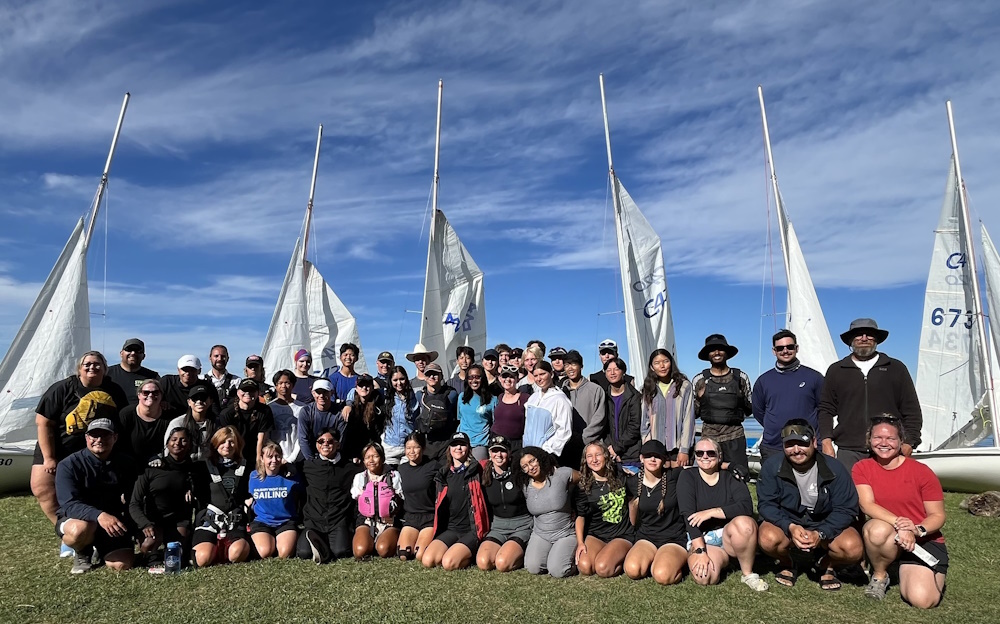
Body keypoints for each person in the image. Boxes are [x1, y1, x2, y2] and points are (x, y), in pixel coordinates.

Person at [757, 419, 863, 590]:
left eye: (802, 443)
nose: (796, 450)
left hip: (823, 522)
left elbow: (846, 509)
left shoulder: (835, 468)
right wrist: (789, 526)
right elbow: (766, 505)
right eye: (790, 445)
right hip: (790, 520)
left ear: (814, 442)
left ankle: (827, 564)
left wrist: (821, 533)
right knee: (767, 538)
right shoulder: (771, 466)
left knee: (853, 549)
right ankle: (788, 563)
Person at [853, 415, 947, 607]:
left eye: (891, 438)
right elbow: (867, 505)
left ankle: (904, 565)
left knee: (923, 601)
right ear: (869, 441)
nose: (884, 443)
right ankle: (880, 575)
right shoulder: (862, 468)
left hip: (922, 538)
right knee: (875, 529)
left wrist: (916, 530)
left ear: (900, 441)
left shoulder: (922, 471)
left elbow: (938, 515)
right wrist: (902, 524)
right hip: (889, 532)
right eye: (878, 437)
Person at [32, 350, 129, 527]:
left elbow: (122, 420)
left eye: (97, 364)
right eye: (88, 364)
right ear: (79, 369)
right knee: (42, 487)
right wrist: (49, 458)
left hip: (93, 448)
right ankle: (64, 527)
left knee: (91, 491)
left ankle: (90, 528)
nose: (92, 367)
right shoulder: (62, 388)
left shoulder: (114, 390)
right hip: (57, 445)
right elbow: (43, 423)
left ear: (105, 369)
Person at [819, 318, 923, 473]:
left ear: (877, 339)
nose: (864, 338)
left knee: (888, 496)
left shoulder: (896, 368)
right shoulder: (836, 370)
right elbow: (825, 409)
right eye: (858, 334)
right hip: (849, 450)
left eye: (869, 334)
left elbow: (911, 410)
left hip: (887, 448)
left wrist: (909, 442)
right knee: (850, 496)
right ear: (850, 340)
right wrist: (826, 441)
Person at [678, 437, 768, 591]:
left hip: (729, 535)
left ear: (719, 456)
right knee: (705, 577)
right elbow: (689, 516)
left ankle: (747, 573)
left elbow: (746, 507)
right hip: (703, 538)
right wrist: (700, 551)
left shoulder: (732, 476)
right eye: (700, 453)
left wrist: (712, 512)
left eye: (710, 453)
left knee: (745, 523)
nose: (705, 456)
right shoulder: (688, 477)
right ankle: (725, 559)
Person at [55, 417, 136, 574]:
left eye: (105, 435)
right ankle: (82, 551)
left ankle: (100, 547)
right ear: (86, 438)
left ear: (115, 437)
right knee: (81, 529)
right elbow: (69, 504)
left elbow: (133, 498)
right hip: (78, 519)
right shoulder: (68, 465)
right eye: (94, 435)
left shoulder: (126, 463)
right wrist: (99, 515)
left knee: (122, 564)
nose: (99, 440)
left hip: (111, 521)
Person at [752, 330, 825, 465]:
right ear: (774, 351)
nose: (785, 351)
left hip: (806, 445)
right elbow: (758, 411)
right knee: (774, 486)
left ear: (796, 348)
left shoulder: (814, 377)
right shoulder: (764, 380)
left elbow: (824, 410)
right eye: (780, 348)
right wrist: (775, 426)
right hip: (773, 446)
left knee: (809, 485)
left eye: (790, 347)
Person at [130, 426, 196, 572]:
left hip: (178, 520)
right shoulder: (152, 468)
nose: (178, 443)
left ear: (190, 445)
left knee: (177, 553)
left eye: (183, 440)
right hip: (154, 521)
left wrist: (193, 491)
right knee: (149, 543)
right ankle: (147, 555)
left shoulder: (193, 469)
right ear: (167, 444)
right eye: (174, 439)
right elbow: (134, 503)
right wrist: (145, 524)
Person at [622, 440, 687, 585]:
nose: (652, 459)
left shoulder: (674, 476)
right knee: (632, 570)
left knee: (662, 575)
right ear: (641, 458)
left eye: (657, 456)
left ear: (664, 460)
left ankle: (672, 562)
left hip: (673, 538)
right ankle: (657, 559)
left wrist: (730, 465)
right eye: (648, 455)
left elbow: (703, 466)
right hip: (646, 537)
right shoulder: (633, 482)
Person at [422, 433, 490, 571]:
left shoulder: (478, 469)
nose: (458, 448)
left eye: (462, 444)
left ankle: (470, 552)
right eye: (454, 444)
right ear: (449, 449)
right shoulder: (443, 474)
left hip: (471, 530)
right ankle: (458, 550)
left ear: (469, 448)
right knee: (428, 560)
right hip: (452, 528)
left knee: (448, 563)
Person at [190, 426, 252, 567]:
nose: (227, 446)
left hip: (235, 520)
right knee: (202, 559)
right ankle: (213, 548)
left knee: (237, 554)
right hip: (210, 519)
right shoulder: (202, 468)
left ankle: (226, 548)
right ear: (215, 443)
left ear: (237, 444)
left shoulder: (246, 467)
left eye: (231, 442)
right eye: (223, 442)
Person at [297, 428, 360, 563]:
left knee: (341, 551)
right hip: (314, 520)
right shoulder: (307, 466)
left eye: (330, 441)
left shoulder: (350, 467)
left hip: (338, 519)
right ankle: (320, 541)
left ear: (338, 444)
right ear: (316, 445)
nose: (325, 444)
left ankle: (324, 543)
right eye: (321, 441)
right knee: (303, 552)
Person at [692, 335, 753, 476]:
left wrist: (738, 398)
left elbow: (749, 409)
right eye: (712, 350)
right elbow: (693, 414)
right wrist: (700, 399)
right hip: (709, 437)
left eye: (720, 349)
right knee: (709, 478)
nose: (717, 352)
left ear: (727, 352)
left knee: (739, 476)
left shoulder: (741, 377)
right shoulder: (699, 380)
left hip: (735, 437)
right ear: (708, 355)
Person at [517, 446, 580, 578]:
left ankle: (569, 559)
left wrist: (576, 505)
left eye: (532, 461)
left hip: (565, 533)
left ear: (540, 458)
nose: (530, 467)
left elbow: (584, 481)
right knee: (533, 567)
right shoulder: (525, 485)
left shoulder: (562, 474)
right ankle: (551, 554)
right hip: (540, 534)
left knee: (558, 570)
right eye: (525, 466)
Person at [575, 442, 633, 578]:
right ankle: (607, 554)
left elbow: (633, 499)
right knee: (585, 567)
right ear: (585, 460)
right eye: (589, 456)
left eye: (598, 454)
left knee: (602, 568)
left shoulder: (620, 476)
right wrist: (580, 543)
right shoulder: (583, 486)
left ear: (606, 456)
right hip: (597, 534)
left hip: (621, 534)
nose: (594, 459)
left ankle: (623, 556)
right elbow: (580, 517)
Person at [476, 435, 532, 572]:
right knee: (483, 563)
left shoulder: (519, 473)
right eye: (494, 451)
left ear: (509, 453)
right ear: (489, 453)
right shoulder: (484, 475)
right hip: (498, 527)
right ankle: (508, 550)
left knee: (502, 563)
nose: (498, 455)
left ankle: (523, 550)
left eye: (502, 451)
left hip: (522, 526)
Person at [641, 349, 695, 469]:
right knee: (662, 484)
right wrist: (647, 449)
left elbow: (688, 419)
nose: (662, 366)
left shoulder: (684, 386)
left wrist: (685, 450)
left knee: (680, 482)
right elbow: (645, 423)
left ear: (671, 363)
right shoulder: (648, 388)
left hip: (678, 446)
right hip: (657, 447)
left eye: (665, 361)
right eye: (657, 363)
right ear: (651, 366)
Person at [350, 442, 404, 559]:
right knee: (360, 551)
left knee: (383, 550)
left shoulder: (394, 476)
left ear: (383, 458)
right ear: (363, 461)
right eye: (367, 457)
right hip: (367, 520)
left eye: (375, 456)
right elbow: (356, 499)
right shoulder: (360, 478)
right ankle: (369, 541)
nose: (371, 460)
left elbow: (401, 499)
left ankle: (386, 539)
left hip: (389, 521)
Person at [248, 440, 300, 559]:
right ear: (262, 458)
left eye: (277, 456)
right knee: (265, 552)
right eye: (269, 457)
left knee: (284, 553)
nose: (274, 460)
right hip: (262, 521)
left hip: (285, 521)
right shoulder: (254, 476)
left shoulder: (291, 476)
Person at [396, 432, 438, 561]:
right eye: (408, 448)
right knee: (404, 554)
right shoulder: (401, 469)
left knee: (420, 555)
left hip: (429, 517)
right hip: (411, 517)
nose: (412, 451)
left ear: (423, 448)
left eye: (416, 447)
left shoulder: (433, 466)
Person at [560, 350, 606, 468]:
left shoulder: (595, 390)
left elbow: (599, 418)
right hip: (565, 447)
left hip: (589, 447)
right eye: (566, 365)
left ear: (581, 366)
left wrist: (583, 438)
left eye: (573, 364)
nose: (570, 368)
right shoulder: (559, 392)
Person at [523, 362, 573, 460]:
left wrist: (546, 450)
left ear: (551, 374)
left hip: (546, 456)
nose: (539, 379)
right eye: (536, 375)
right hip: (527, 453)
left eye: (542, 374)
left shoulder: (560, 400)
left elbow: (564, 431)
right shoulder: (533, 398)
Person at [118, 379, 171, 472]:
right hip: (130, 465)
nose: (150, 395)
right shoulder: (126, 414)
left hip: (160, 466)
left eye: (155, 392)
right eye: (146, 392)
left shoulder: (169, 416)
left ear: (161, 395)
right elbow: (119, 444)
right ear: (139, 395)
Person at [219, 379, 274, 464]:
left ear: (258, 393)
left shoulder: (265, 411)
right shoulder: (227, 413)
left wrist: (258, 462)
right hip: (233, 453)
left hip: (255, 453)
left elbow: (262, 439)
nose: (248, 393)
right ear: (238, 392)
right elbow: (227, 439)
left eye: (252, 390)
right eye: (244, 390)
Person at [603, 357, 642, 473]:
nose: (612, 373)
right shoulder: (604, 397)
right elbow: (603, 426)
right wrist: (610, 449)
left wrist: (617, 448)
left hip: (631, 455)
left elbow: (635, 426)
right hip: (610, 454)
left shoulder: (634, 396)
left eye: (616, 369)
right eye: (609, 370)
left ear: (623, 372)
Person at [415, 362, 459, 461]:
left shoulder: (452, 395)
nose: (431, 377)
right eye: (428, 374)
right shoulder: (419, 396)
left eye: (435, 374)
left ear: (441, 376)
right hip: (427, 444)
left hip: (446, 444)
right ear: (425, 377)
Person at [164, 385, 218, 461]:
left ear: (211, 401)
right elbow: (167, 448)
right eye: (194, 398)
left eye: (203, 398)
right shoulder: (177, 423)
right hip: (183, 466)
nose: (199, 401)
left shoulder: (217, 424)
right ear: (189, 402)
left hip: (209, 468)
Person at [341, 374, 387, 462]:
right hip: (354, 449)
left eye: (367, 385)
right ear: (356, 388)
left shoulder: (379, 404)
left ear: (372, 387)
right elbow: (348, 434)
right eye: (361, 385)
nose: (364, 388)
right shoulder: (350, 406)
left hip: (373, 447)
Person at [297, 379, 346, 461]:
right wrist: (311, 461)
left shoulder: (340, 413)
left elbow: (340, 440)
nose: (321, 395)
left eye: (325, 392)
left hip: (333, 457)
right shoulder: (306, 412)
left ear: (332, 393)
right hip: (311, 457)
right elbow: (303, 439)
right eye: (318, 392)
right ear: (313, 393)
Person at [457, 364, 497, 461]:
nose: (474, 380)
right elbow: (460, 418)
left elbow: (494, 423)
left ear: (482, 378)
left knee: (479, 473)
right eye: (470, 377)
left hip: (480, 443)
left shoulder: (492, 400)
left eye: (477, 377)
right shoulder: (461, 397)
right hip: (461, 442)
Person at [382, 366, 419, 467]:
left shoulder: (414, 398)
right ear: (390, 381)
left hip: (407, 446)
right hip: (390, 446)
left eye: (401, 379)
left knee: (405, 479)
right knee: (390, 479)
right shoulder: (386, 397)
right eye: (395, 380)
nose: (399, 383)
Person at [105, 338, 159, 406]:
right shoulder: (106, 373)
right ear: (121, 353)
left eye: (138, 351)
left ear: (143, 356)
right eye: (129, 349)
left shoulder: (153, 377)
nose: (133, 353)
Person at [267, 369, 302, 463]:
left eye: (287, 383)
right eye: (280, 383)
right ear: (275, 386)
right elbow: (267, 436)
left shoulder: (302, 408)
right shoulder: (269, 408)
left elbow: (302, 435)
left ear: (293, 385)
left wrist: (291, 459)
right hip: (274, 459)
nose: (283, 386)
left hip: (296, 458)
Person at [493, 364, 530, 452]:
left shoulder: (525, 398)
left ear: (517, 379)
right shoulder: (499, 397)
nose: (508, 380)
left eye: (512, 377)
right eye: (505, 376)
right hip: (497, 441)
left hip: (516, 444)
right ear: (500, 379)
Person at [205, 345, 240, 409]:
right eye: (216, 356)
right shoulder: (201, 380)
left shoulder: (236, 381)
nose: (219, 359)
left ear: (228, 358)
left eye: (223, 356)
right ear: (210, 358)